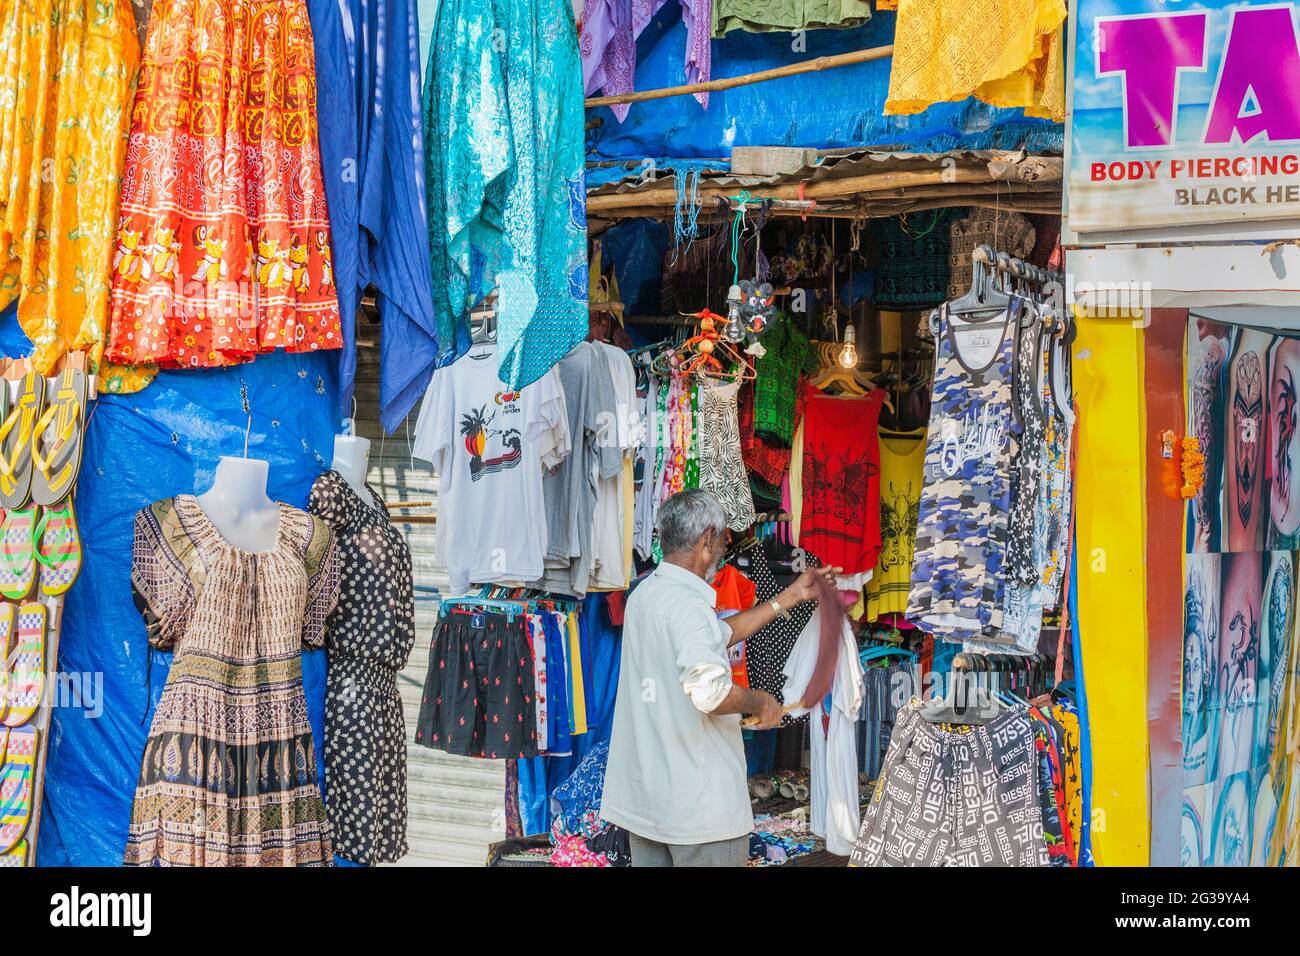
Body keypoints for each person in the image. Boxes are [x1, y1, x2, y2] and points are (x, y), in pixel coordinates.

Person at [600, 488, 839, 867]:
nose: (727, 546)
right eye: (725, 537)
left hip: (648, 808)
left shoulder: (648, 596)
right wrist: (759, 701)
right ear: (707, 538)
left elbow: (719, 633)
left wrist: (789, 596)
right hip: (700, 814)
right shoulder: (689, 608)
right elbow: (709, 693)